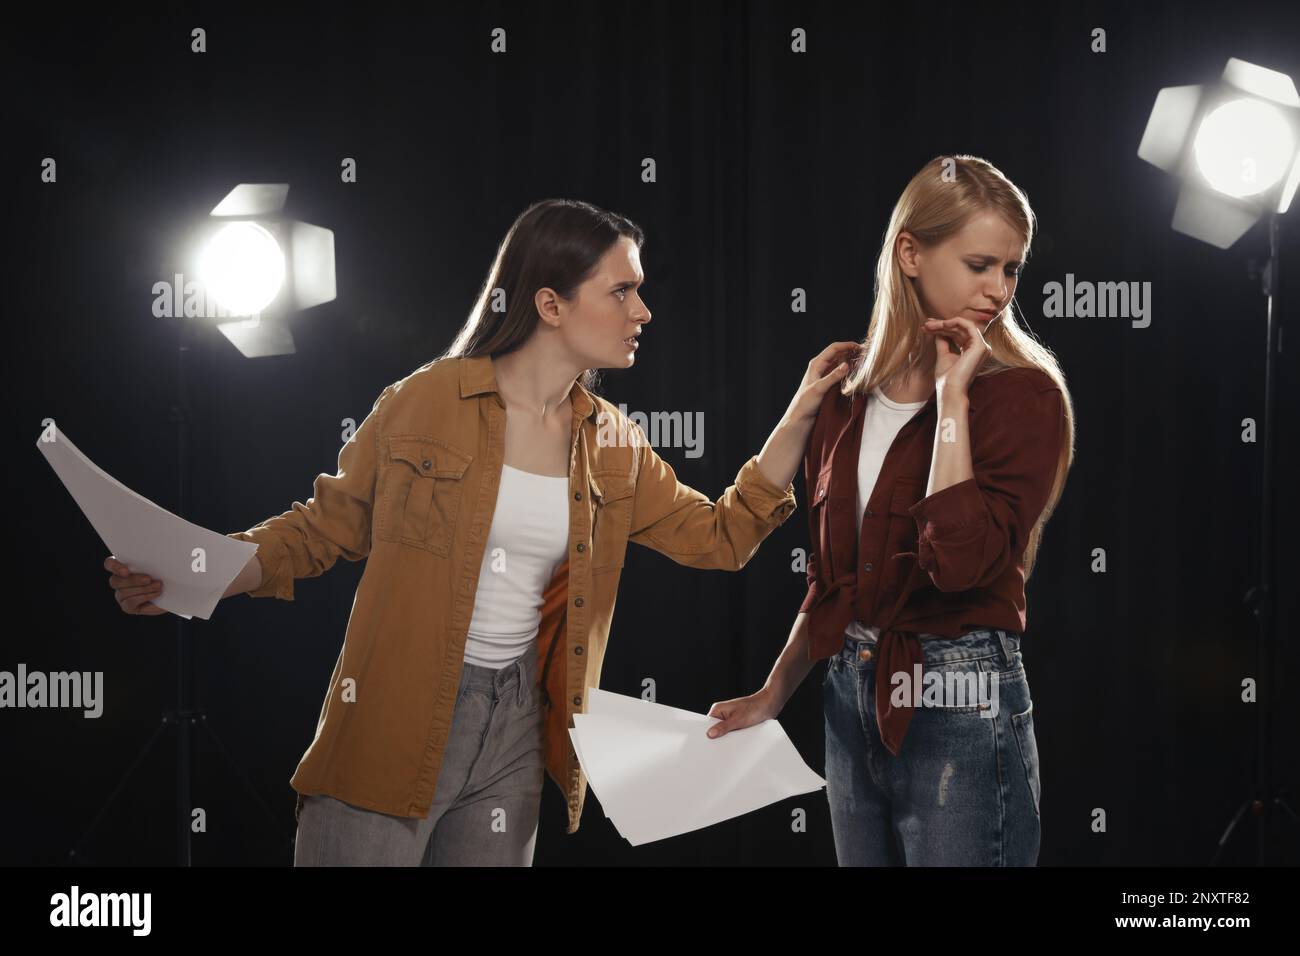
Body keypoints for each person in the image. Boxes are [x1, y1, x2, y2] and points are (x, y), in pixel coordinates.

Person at [105, 198, 857, 866]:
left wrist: (797, 416)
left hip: (518, 729)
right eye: (622, 290)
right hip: (394, 718)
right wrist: (191, 571)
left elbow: (720, 538)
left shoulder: (614, 443)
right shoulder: (425, 401)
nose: (643, 311)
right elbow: (320, 531)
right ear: (551, 304)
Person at [706, 155, 1076, 866]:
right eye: (979, 265)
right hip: (849, 694)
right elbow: (831, 582)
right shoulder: (847, 391)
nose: (999, 291)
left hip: (961, 697)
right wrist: (772, 694)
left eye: (1012, 270)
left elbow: (961, 562)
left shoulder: (1023, 396)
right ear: (910, 252)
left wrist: (952, 405)